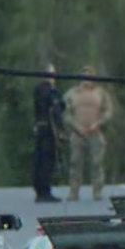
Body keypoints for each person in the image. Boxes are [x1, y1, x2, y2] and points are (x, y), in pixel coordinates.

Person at [64, 65, 115, 201]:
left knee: (97, 163)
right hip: (77, 133)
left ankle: (97, 191)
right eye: (85, 75)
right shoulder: (72, 93)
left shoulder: (101, 93)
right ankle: (73, 192)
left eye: (90, 75)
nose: (87, 78)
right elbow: (66, 113)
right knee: (75, 163)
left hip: (95, 132)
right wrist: (76, 126)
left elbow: (108, 111)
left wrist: (98, 123)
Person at [32, 63, 66, 202]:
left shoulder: (37, 90)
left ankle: (39, 190)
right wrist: (61, 130)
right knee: (47, 160)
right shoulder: (51, 92)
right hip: (49, 130)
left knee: (39, 159)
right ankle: (45, 192)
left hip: (40, 128)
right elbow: (56, 111)